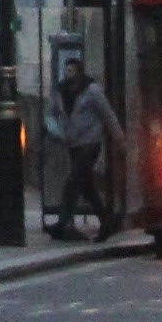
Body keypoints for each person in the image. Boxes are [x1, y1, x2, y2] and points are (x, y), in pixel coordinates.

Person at [48, 63, 119, 239]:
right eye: (65, 71)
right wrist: (56, 130)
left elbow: (107, 114)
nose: (67, 74)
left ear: (79, 72)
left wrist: (119, 137)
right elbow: (54, 113)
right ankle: (107, 221)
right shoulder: (61, 91)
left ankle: (62, 223)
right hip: (73, 143)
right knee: (87, 187)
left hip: (90, 142)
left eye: (71, 71)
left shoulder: (92, 90)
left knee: (73, 180)